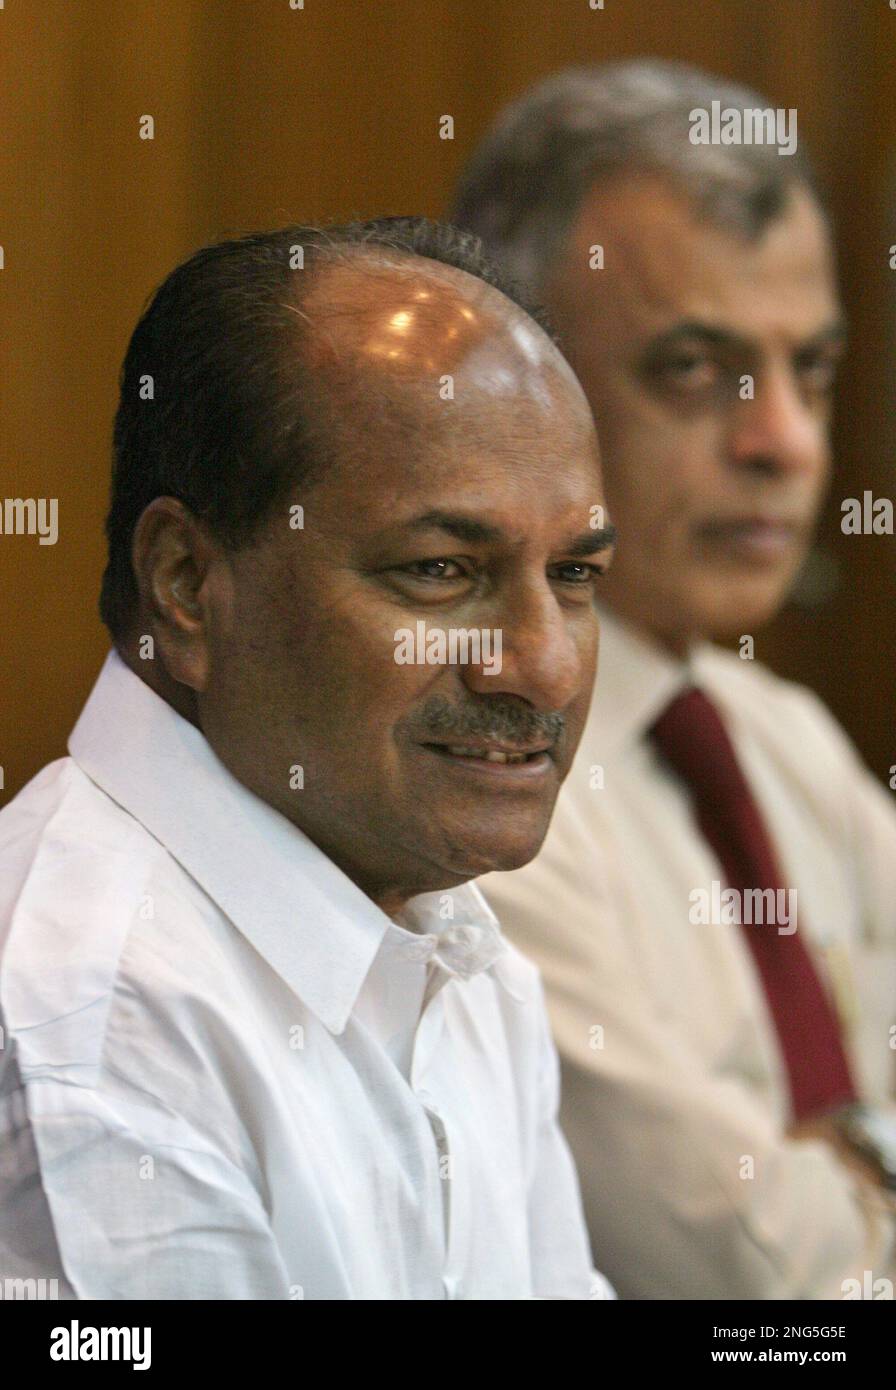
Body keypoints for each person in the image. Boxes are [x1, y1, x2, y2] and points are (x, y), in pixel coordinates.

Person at [0, 217, 618, 1300]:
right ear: (188, 584)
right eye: (438, 571)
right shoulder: (91, 1019)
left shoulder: (462, 956)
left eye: (571, 573)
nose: (544, 668)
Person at [453, 62, 896, 1299]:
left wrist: (845, 1156)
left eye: (809, 369)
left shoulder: (780, 732)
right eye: (695, 370)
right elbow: (737, 1273)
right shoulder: (471, 763)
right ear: (513, 377)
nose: (785, 442)